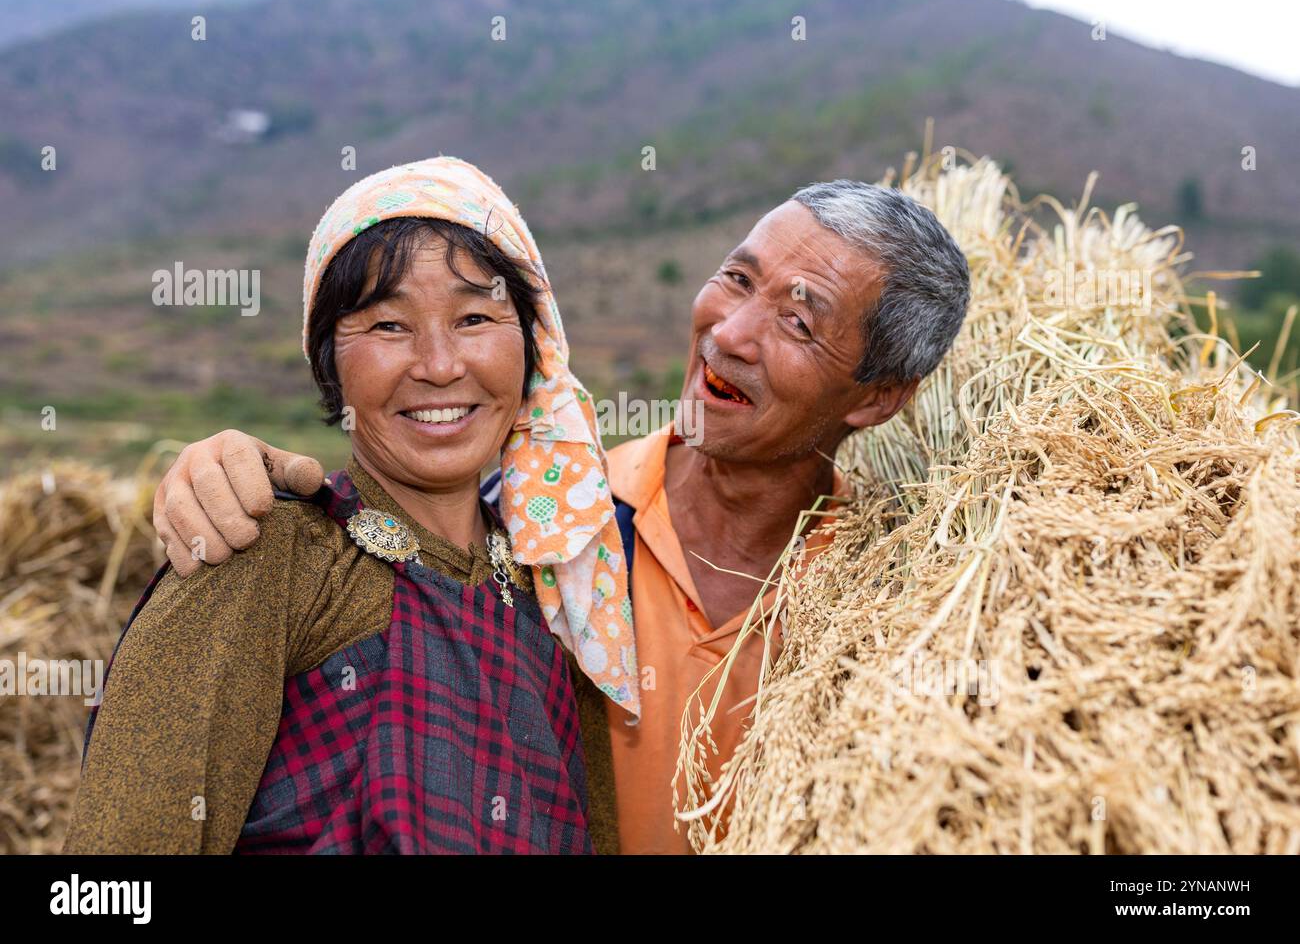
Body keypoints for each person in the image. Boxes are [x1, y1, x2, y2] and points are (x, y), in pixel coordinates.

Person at [147, 178, 971, 853]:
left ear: (880, 396)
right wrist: (219, 475)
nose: (732, 332)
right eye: (736, 278)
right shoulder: (546, 537)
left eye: (798, 321)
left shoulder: (908, 608)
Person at [65, 157, 635, 854]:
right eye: (389, 326)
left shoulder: (556, 595)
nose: (439, 364)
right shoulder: (264, 555)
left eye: (476, 318)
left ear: (534, 352)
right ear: (330, 361)